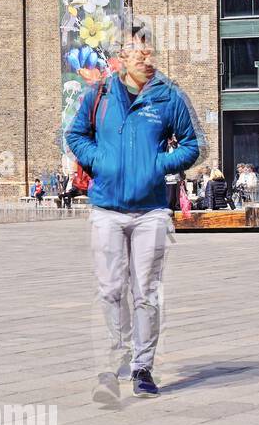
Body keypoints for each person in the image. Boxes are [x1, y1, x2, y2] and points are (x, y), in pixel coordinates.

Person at [66, 26, 199, 404]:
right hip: (106, 208)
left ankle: (143, 367)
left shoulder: (168, 98)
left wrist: (159, 164)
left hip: (151, 211)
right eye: (134, 50)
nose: (143, 56)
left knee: (146, 292)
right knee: (110, 289)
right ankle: (118, 352)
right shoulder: (99, 95)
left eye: (147, 50)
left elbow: (192, 144)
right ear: (120, 56)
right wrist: (100, 160)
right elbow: (76, 136)